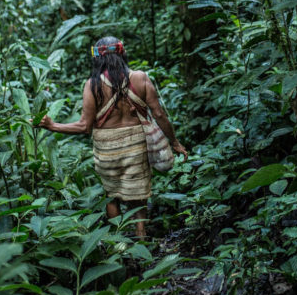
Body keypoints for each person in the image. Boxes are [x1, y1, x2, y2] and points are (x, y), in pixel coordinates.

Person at [36, 36, 187, 238]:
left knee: (112, 195)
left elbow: (84, 126)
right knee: (138, 194)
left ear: (97, 58)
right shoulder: (140, 78)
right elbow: (159, 114)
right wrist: (174, 142)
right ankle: (141, 237)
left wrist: (52, 125)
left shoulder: (92, 85)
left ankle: (116, 242)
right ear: (122, 53)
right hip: (136, 145)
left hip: (107, 149)